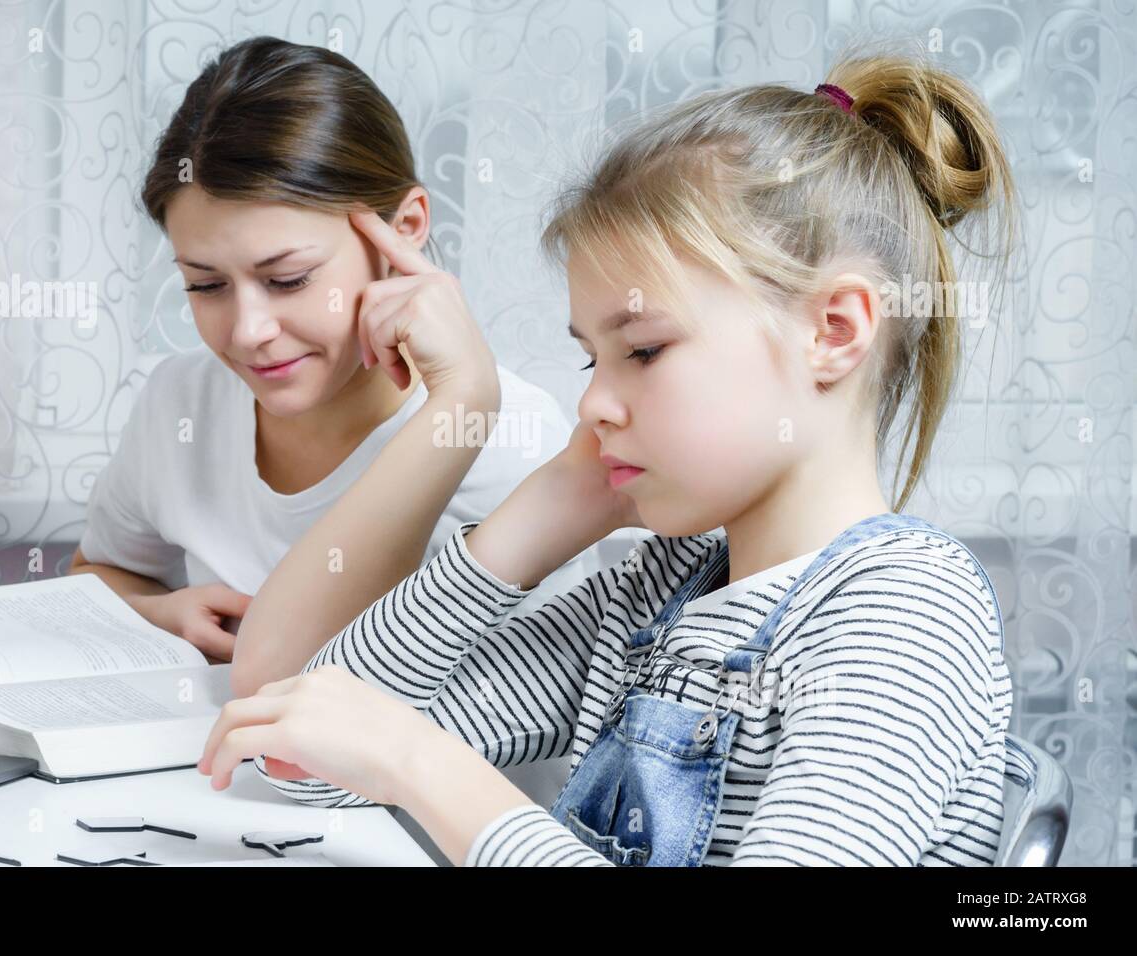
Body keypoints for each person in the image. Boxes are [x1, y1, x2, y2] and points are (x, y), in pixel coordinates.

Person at [199, 47, 1017, 866]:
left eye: (646, 351)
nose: (593, 402)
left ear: (832, 331)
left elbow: (393, 751)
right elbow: (308, 757)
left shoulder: (902, 613)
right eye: (593, 359)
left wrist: (422, 764)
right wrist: (543, 512)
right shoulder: (656, 592)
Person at [67, 36, 593, 713]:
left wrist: (461, 403)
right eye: (205, 285)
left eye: (287, 279)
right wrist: (158, 611)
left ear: (403, 231)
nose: (247, 330)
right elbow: (99, 573)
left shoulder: (509, 440)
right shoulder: (182, 400)